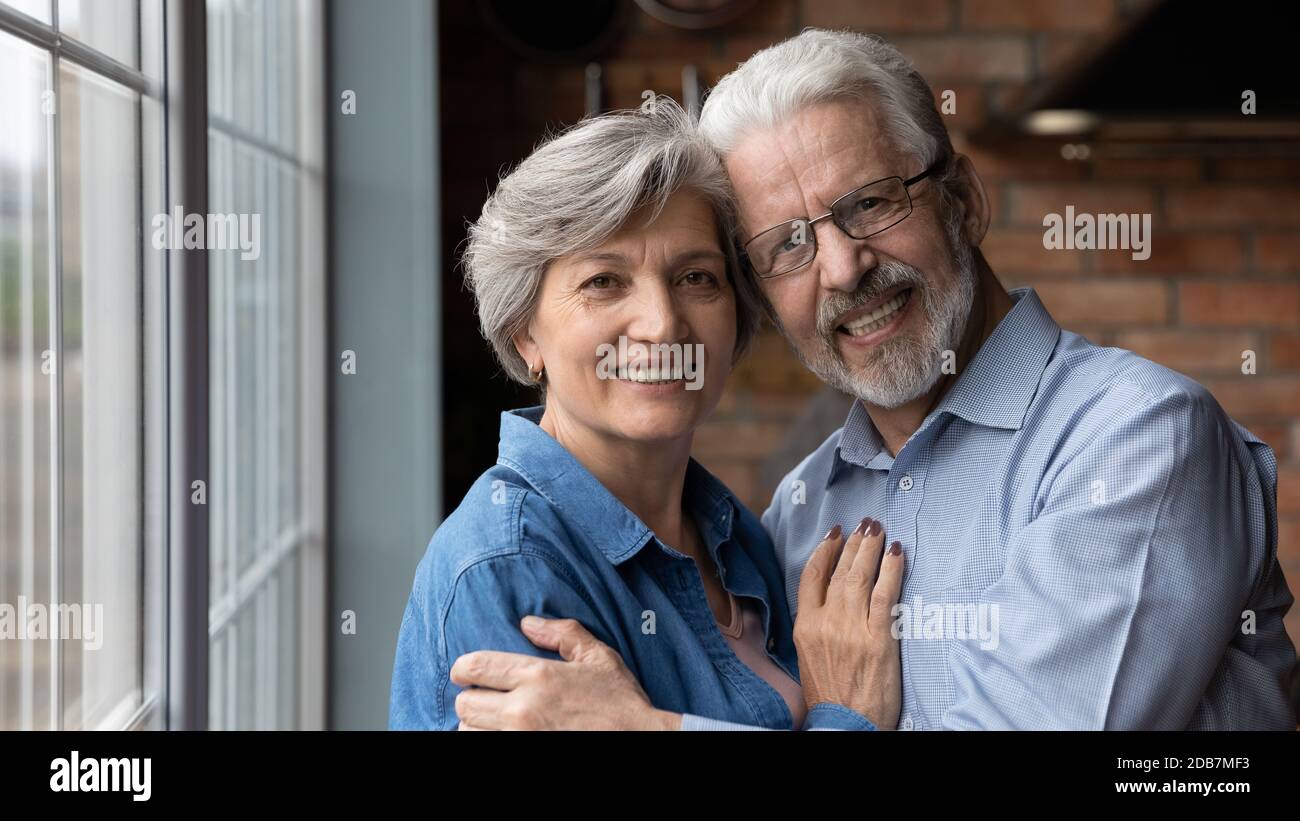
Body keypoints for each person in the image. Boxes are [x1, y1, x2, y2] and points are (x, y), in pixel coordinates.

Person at [448, 29, 1297, 730]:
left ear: (962, 200)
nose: (844, 267)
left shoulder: (1135, 437)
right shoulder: (798, 510)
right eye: (787, 244)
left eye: (870, 203)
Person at [389, 97, 904, 731]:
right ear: (525, 334)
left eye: (696, 278)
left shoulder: (732, 532)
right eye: (604, 281)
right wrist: (847, 721)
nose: (663, 326)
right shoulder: (512, 566)